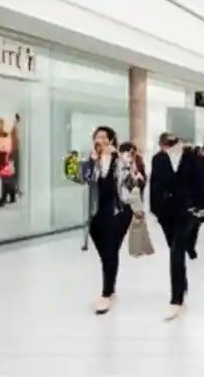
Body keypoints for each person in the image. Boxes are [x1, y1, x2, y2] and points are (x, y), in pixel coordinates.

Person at [79, 126, 142, 315]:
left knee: (110, 249)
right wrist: (91, 160)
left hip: (119, 211)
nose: (101, 141)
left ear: (112, 140)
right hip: (96, 212)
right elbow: (80, 179)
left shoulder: (121, 159)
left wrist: (124, 163)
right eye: (97, 138)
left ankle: (106, 294)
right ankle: (111, 291)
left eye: (104, 137)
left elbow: (133, 182)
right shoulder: (90, 160)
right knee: (105, 253)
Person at [149, 132, 204, 321]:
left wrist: (203, 208)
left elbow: (202, 184)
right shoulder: (158, 159)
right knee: (175, 249)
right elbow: (155, 185)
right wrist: (155, 210)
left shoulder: (194, 159)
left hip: (188, 211)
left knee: (176, 250)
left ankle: (176, 299)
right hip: (167, 213)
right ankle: (181, 285)